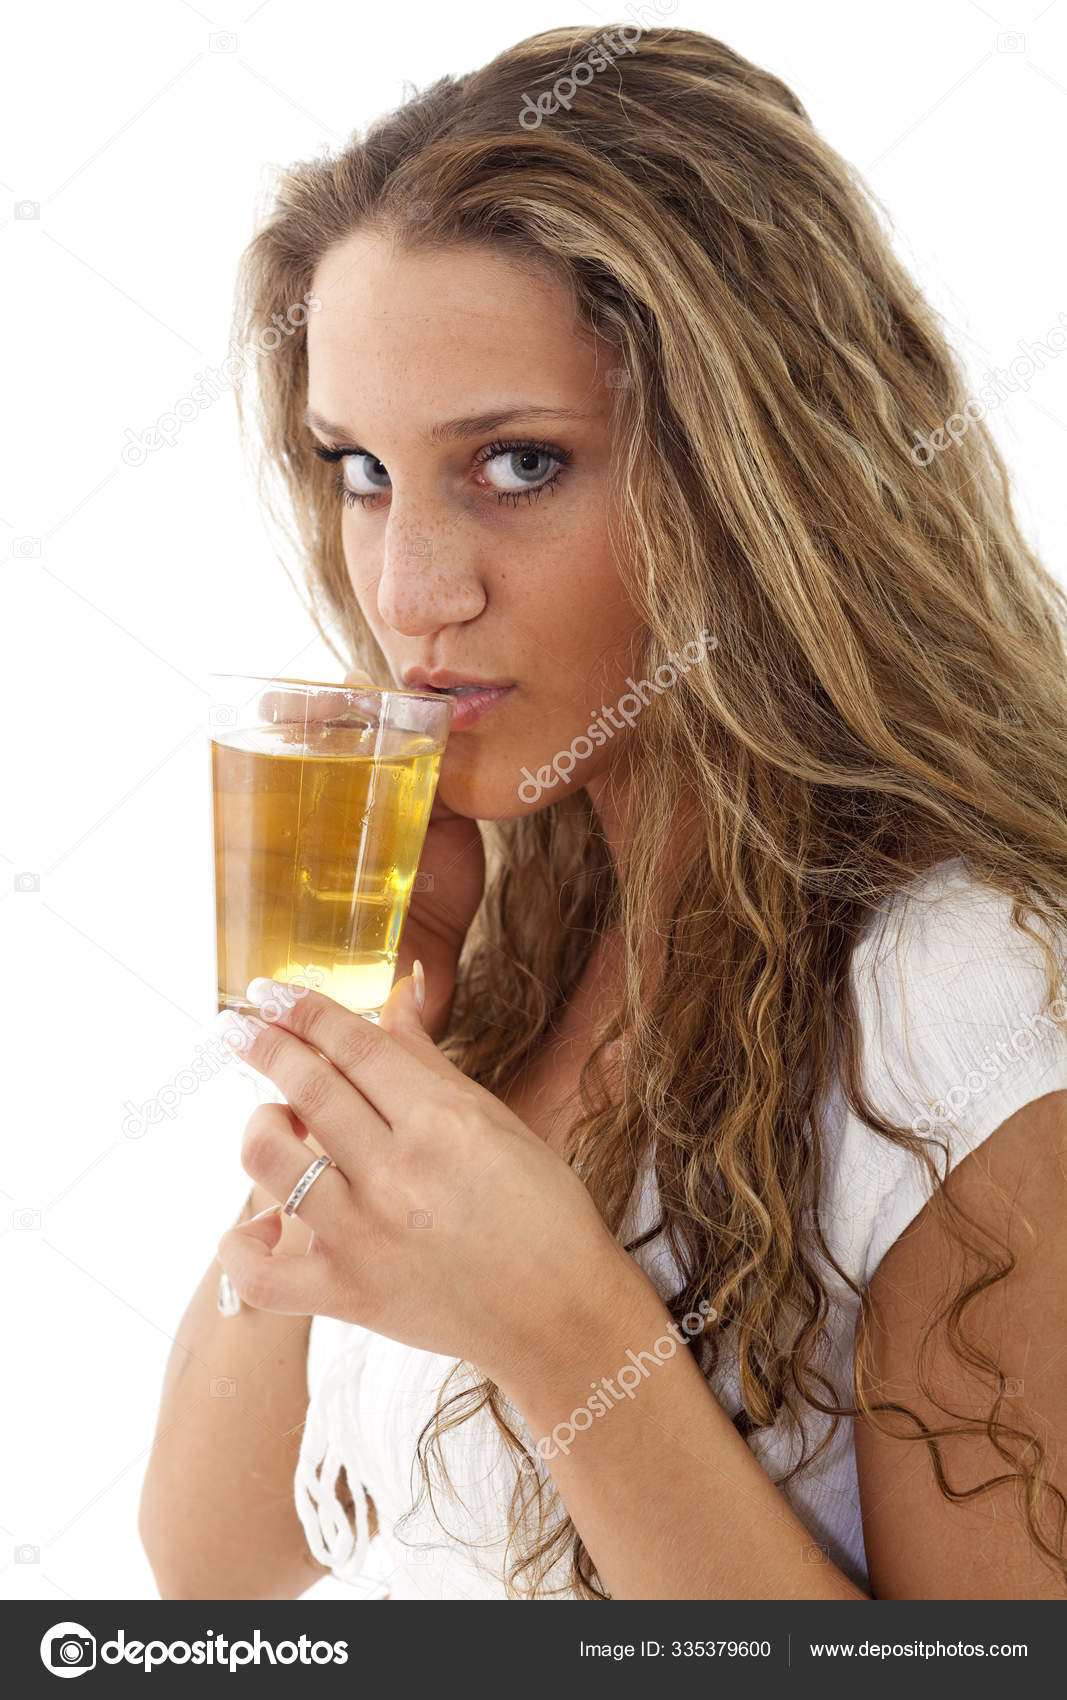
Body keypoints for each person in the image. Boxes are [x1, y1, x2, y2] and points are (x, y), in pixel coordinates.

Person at [139, 25, 1067, 1601]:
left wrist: (565, 1332)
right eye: (361, 470)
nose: (411, 594)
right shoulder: (532, 923)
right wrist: (360, 1050)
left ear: (762, 475)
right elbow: (214, 1562)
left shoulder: (970, 1012)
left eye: (515, 462)